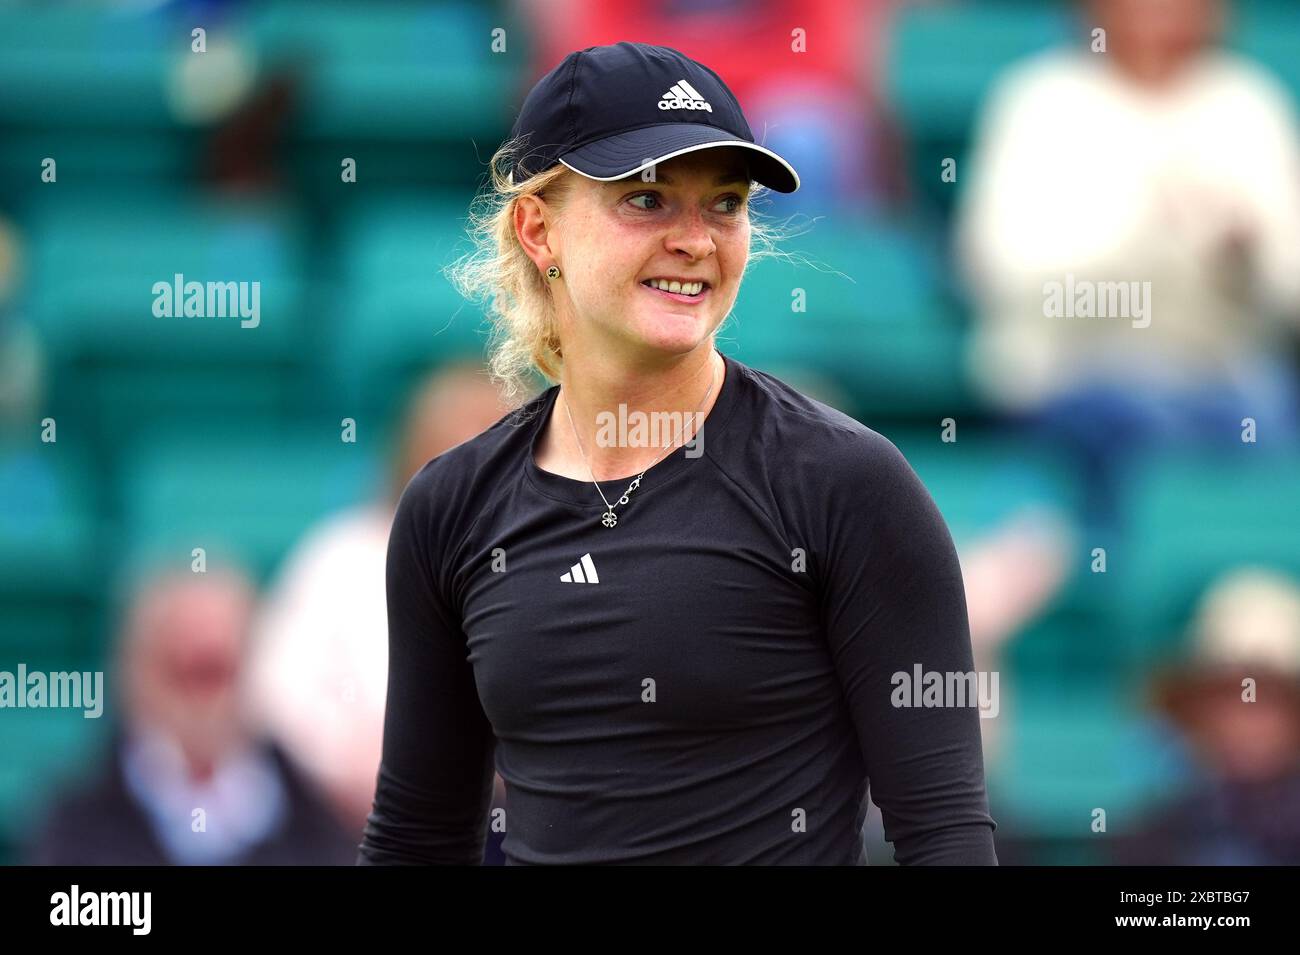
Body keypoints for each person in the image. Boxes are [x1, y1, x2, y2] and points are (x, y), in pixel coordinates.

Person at [357, 42, 996, 865]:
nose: (696, 240)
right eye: (648, 199)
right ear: (537, 226)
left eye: (724, 204)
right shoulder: (449, 506)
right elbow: (416, 837)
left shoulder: (845, 484)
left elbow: (945, 834)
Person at [955, 0, 1300, 529]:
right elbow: (996, 272)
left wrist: (1244, 257)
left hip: (1226, 377)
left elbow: (1288, 286)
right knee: (1149, 433)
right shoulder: (1040, 101)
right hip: (1070, 375)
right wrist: (1150, 239)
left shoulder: (1250, 103)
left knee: (1263, 425)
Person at [28, 564, 356, 866]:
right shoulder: (79, 823)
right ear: (140, 670)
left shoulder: (315, 821)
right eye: (188, 675)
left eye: (218, 674)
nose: (206, 704)